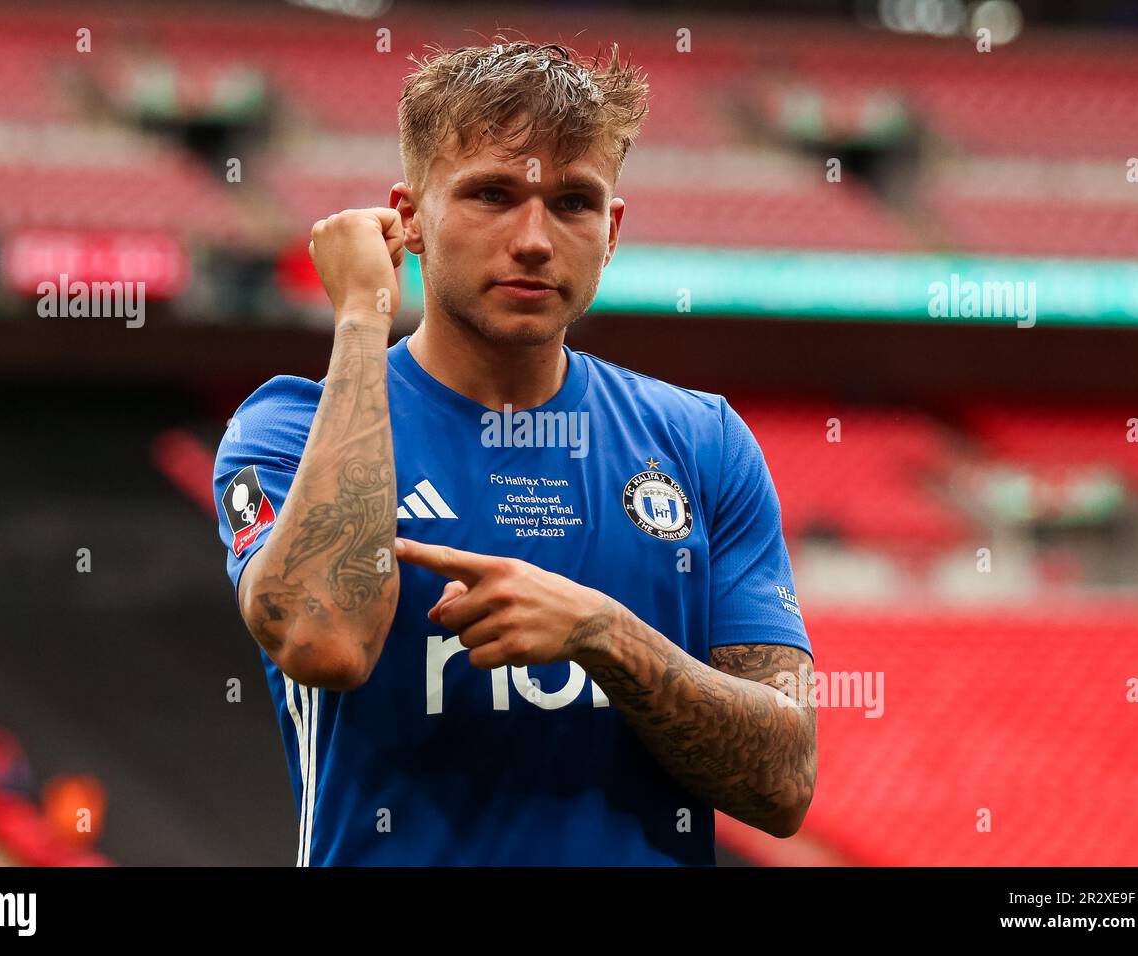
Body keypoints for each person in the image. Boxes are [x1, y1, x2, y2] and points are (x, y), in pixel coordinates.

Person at [214, 38, 816, 866]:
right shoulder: (286, 430)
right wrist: (361, 315)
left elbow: (783, 784)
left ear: (611, 232)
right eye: (493, 194)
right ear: (410, 217)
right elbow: (325, 642)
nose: (534, 239)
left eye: (571, 202)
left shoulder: (702, 441)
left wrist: (601, 633)